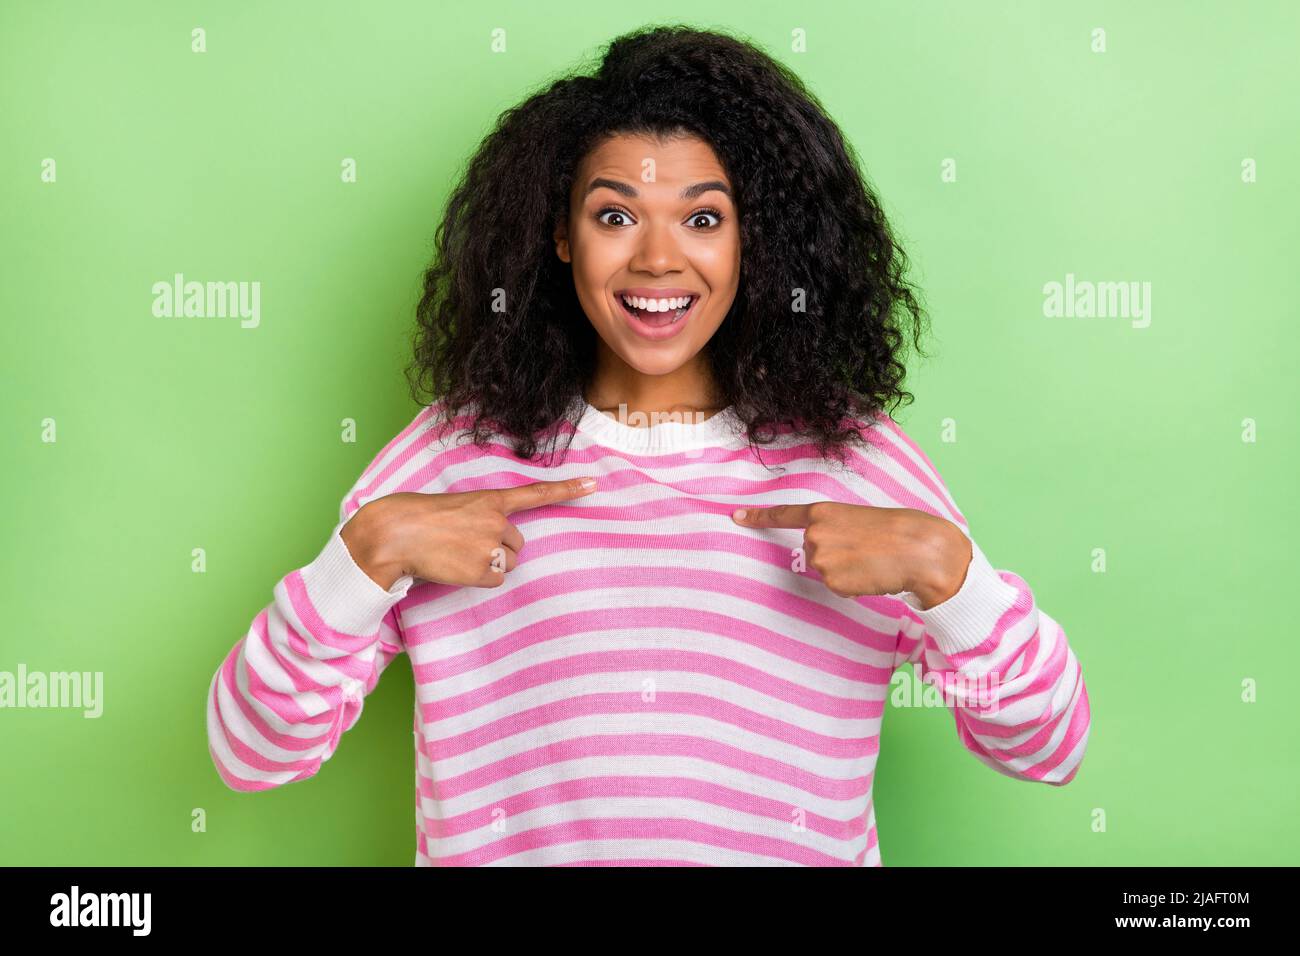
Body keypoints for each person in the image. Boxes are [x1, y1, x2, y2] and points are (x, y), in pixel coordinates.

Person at [206, 24, 1090, 866]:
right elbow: (251, 752)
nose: (659, 259)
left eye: (703, 219)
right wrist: (366, 555)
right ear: (559, 236)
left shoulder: (853, 460)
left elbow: (1048, 746)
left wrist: (950, 575)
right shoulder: (452, 455)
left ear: (756, 243)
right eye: (615, 216)